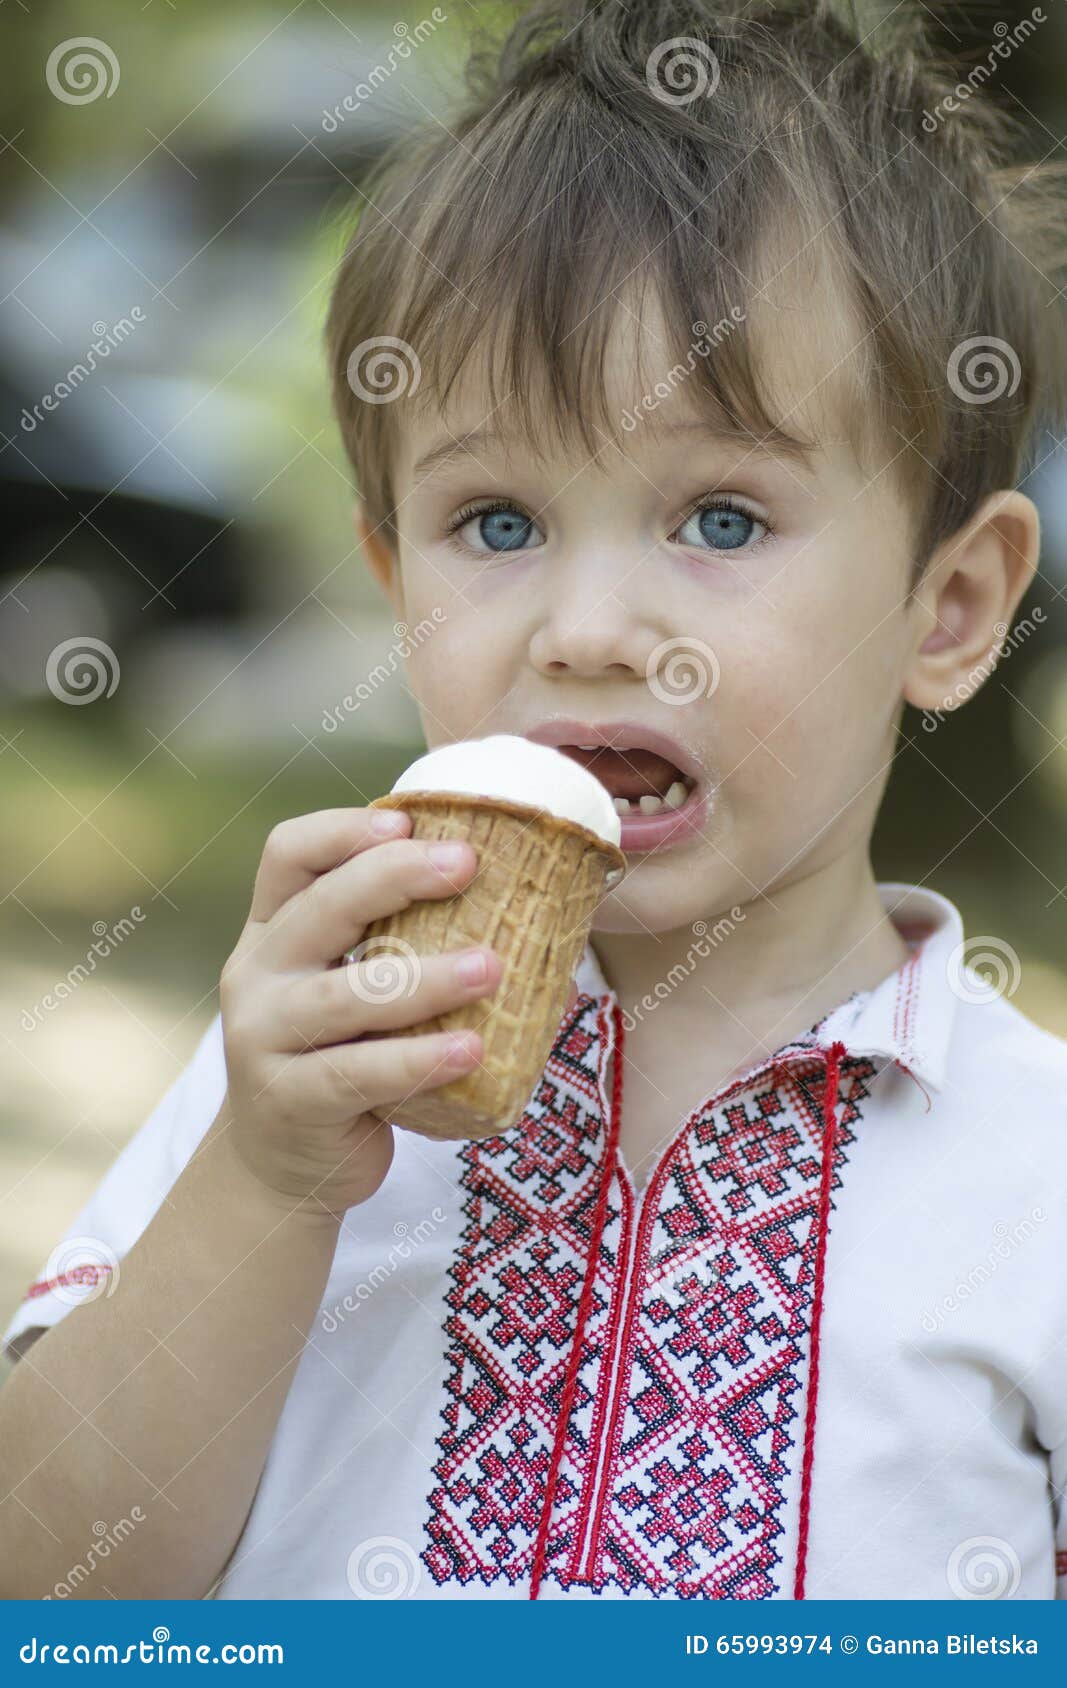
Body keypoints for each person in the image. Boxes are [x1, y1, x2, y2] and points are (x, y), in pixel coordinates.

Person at [3, 0, 1067, 1601]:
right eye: (495, 523)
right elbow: (47, 1599)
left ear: (951, 606)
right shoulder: (290, 1098)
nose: (582, 628)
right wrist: (265, 1183)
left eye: (719, 515)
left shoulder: (1034, 1175)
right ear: (390, 578)